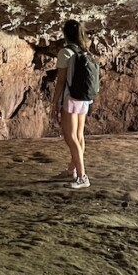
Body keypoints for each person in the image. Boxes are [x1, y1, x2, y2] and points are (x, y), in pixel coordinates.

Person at [52, 19, 92, 189]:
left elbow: (61, 81)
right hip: (84, 99)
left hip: (70, 99)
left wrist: (54, 103)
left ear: (65, 34)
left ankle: (82, 177)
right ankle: (71, 170)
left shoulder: (65, 52)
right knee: (79, 135)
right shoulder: (85, 52)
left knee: (70, 137)